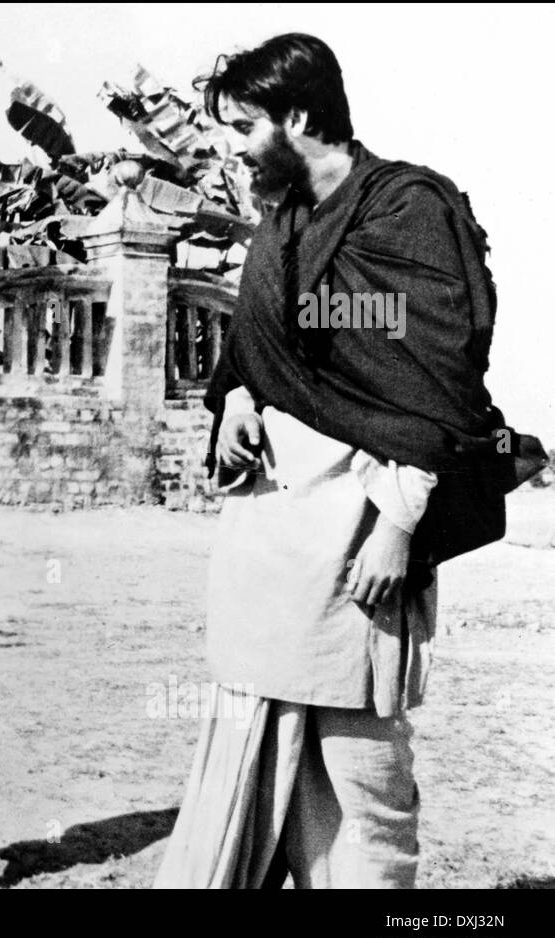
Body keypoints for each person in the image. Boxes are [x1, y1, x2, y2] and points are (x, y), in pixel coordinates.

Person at [154, 34, 533, 888]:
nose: (237, 146)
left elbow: (437, 384)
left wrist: (400, 526)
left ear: (299, 115)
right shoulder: (282, 220)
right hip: (270, 541)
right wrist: (240, 397)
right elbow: (257, 349)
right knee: (257, 760)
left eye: (247, 126)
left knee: (363, 789)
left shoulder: (407, 211)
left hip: (362, 536)